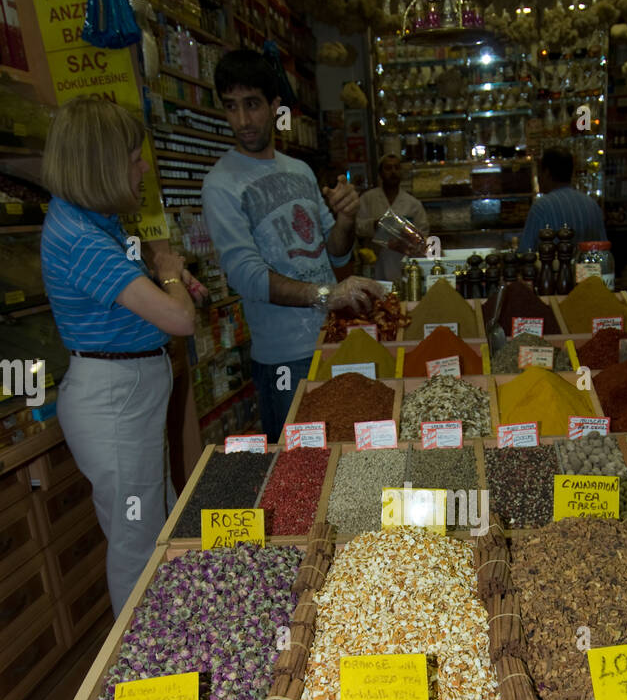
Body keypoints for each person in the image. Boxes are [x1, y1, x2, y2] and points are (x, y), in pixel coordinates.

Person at [40, 96, 202, 618]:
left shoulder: (95, 221)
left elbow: (135, 280)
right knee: (137, 538)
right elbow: (180, 321)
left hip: (126, 394)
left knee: (151, 516)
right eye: (134, 157)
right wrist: (172, 273)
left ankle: (167, 635)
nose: (144, 167)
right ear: (103, 164)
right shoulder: (82, 238)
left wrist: (156, 262)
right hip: (113, 401)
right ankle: (140, 667)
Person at [202, 50, 381, 442]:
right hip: (285, 359)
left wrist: (346, 219)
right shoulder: (221, 184)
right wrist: (326, 295)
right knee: (300, 474)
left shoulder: (298, 170)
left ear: (275, 106)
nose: (243, 120)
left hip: (333, 339)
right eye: (231, 108)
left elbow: (335, 253)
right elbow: (247, 277)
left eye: (252, 105)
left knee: (349, 459)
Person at [356, 153, 428, 284]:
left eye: (396, 168)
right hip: (374, 264)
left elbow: (423, 235)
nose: (393, 172)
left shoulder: (413, 204)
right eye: (388, 168)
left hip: (402, 265)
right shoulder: (367, 199)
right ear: (380, 173)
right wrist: (374, 225)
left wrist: (410, 237)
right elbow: (356, 226)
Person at [519, 148, 606, 253]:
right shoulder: (592, 205)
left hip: (553, 269)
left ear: (546, 173)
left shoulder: (541, 207)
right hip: (589, 268)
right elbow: (603, 249)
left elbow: (525, 251)